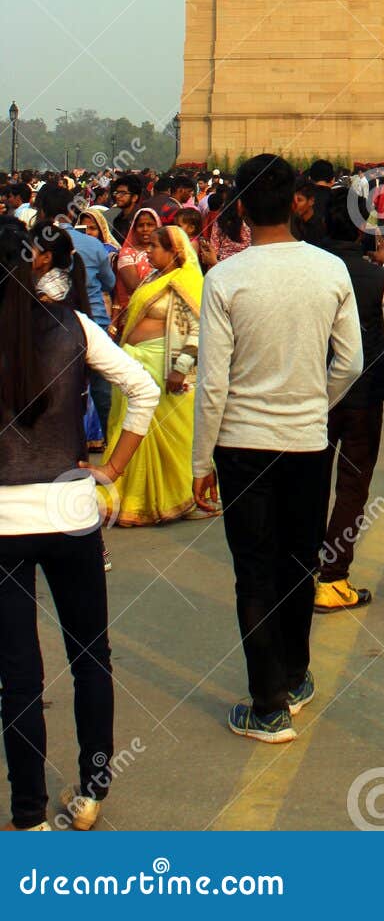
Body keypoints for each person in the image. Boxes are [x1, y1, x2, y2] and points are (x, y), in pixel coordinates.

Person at [193, 155, 363, 742]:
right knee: (299, 563)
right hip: (306, 441)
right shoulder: (331, 270)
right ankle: (294, 677)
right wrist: (315, 402)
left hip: (240, 444)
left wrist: (198, 460)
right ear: (298, 202)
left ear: (240, 208)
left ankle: (266, 706)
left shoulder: (225, 278)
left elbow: (212, 383)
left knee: (254, 571)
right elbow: (353, 363)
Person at [0, 223, 160, 831]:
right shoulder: (74, 327)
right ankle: (93, 789)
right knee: (90, 655)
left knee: (18, 676)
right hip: (70, 513)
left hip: (4, 522)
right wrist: (111, 469)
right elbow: (141, 391)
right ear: (33, 263)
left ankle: (28, 816)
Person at [314, 189, 384, 613]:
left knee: (309, 481)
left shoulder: (308, 269)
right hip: (364, 395)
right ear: (360, 228)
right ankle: (333, 578)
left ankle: (302, 568)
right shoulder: (377, 275)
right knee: (353, 486)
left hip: (315, 392)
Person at [105, 223, 202, 526]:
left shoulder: (188, 281)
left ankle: (177, 498)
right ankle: (131, 501)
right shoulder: (153, 277)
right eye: (147, 246)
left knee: (166, 435)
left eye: (155, 247)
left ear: (175, 252)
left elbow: (198, 330)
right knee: (131, 428)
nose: (148, 252)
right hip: (137, 365)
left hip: (166, 369)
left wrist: (180, 368)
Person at [35, 185, 116, 439]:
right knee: (103, 393)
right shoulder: (92, 245)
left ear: (42, 211)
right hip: (94, 324)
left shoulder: (34, 245)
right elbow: (110, 283)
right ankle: (110, 443)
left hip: (48, 329)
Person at [112, 207, 158, 324]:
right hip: (134, 312)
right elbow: (132, 284)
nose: (145, 229)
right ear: (134, 229)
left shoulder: (164, 252)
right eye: (141, 225)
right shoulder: (127, 253)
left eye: (150, 225)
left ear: (158, 227)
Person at [106, 173, 143, 246]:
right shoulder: (117, 218)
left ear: (134, 197)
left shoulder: (140, 218)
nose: (118, 196)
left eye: (123, 193)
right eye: (117, 192)